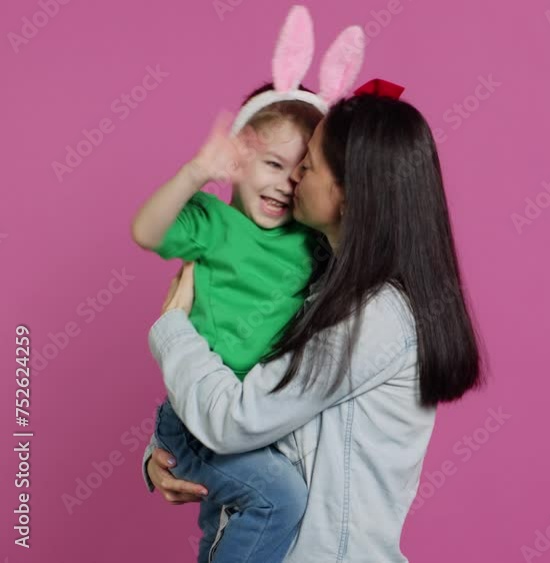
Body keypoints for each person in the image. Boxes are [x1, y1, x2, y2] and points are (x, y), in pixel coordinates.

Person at [144, 79, 484, 563]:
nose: (294, 178)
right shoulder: (325, 288)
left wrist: (172, 329)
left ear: (348, 193)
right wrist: (167, 451)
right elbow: (263, 401)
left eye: (308, 164)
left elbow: (237, 417)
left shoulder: (372, 319)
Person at [134, 9, 367, 562]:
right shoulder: (215, 226)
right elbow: (146, 230)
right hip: (200, 418)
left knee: (237, 525)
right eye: (270, 163)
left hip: (255, 423)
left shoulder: (309, 239)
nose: (284, 185)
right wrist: (196, 171)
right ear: (237, 160)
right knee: (277, 498)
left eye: (299, 171)